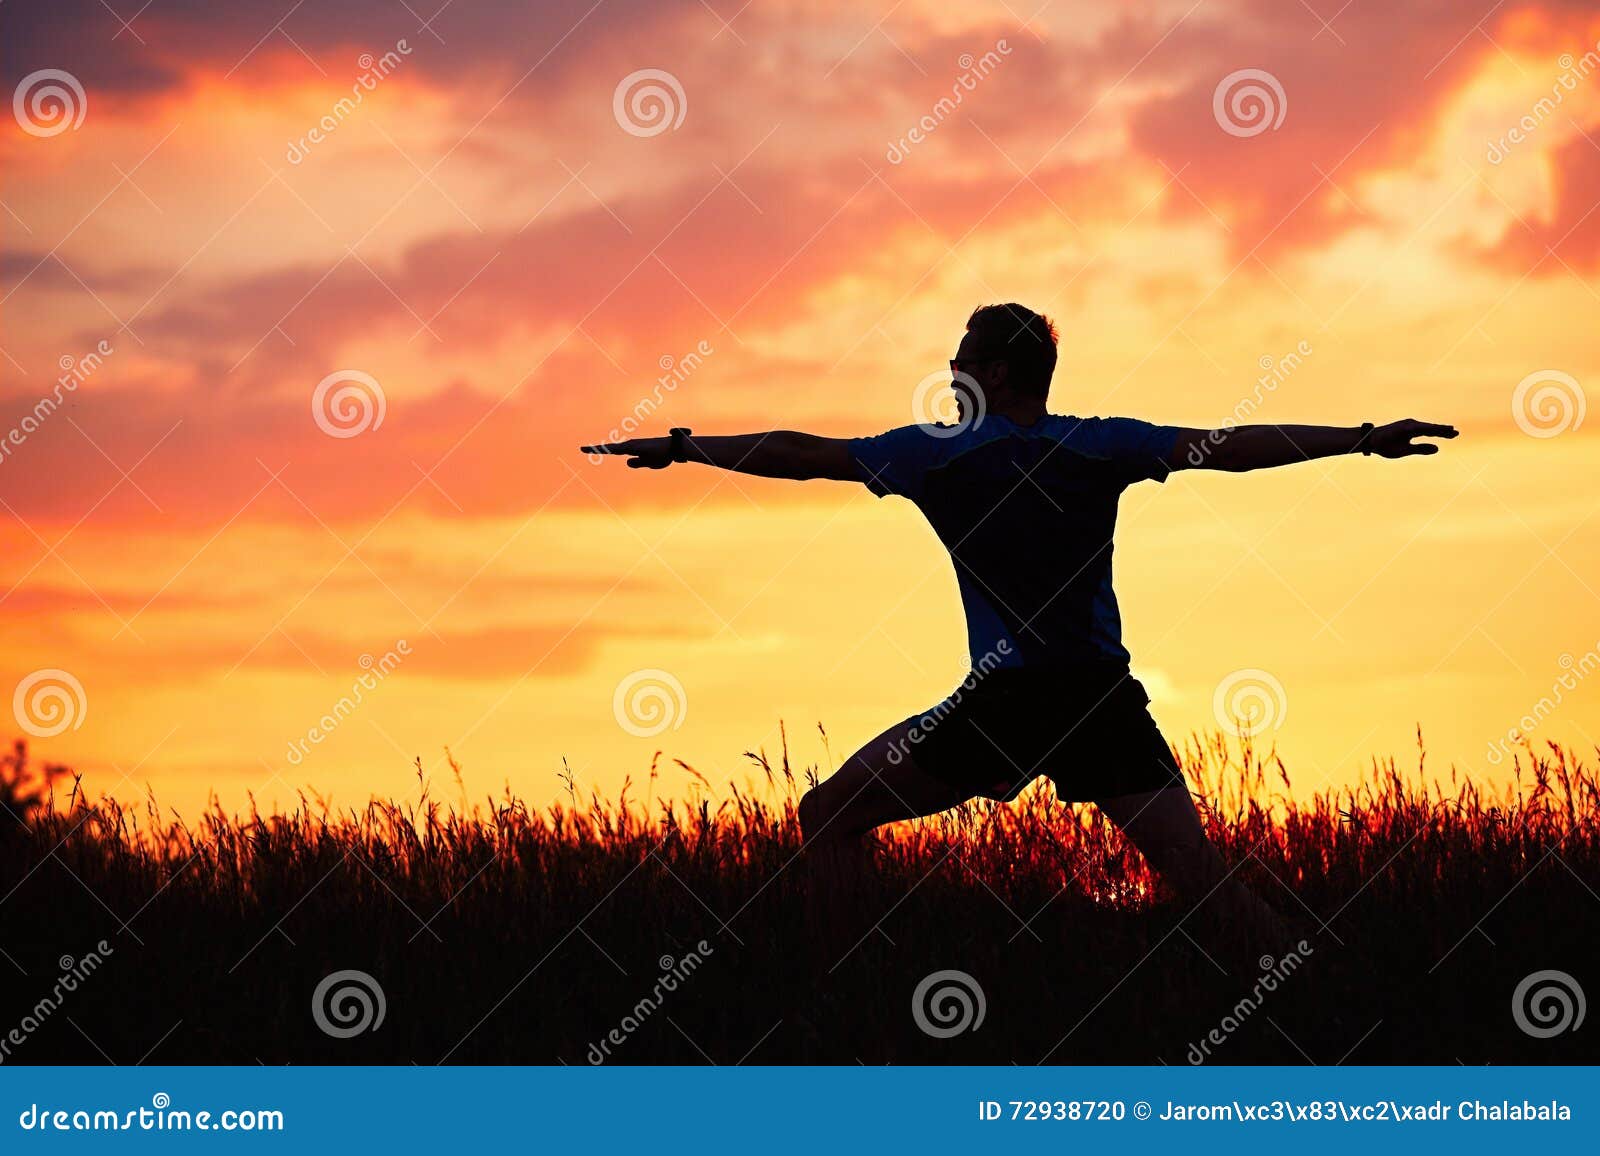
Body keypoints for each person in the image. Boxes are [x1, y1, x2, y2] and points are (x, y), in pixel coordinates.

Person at [582, 303, 1457, 932]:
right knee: (1206, 891)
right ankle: (1339, 990)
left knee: (827, 818)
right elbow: (1228, 448)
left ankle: (843, 987)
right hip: (1092, 700)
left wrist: (691, 447)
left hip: (1007, 705)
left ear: (994, 372)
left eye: (962, 357)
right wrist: (1362, 435)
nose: (952, 369)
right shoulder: (1102, 442)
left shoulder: (932, 457)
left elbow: (805, 457)